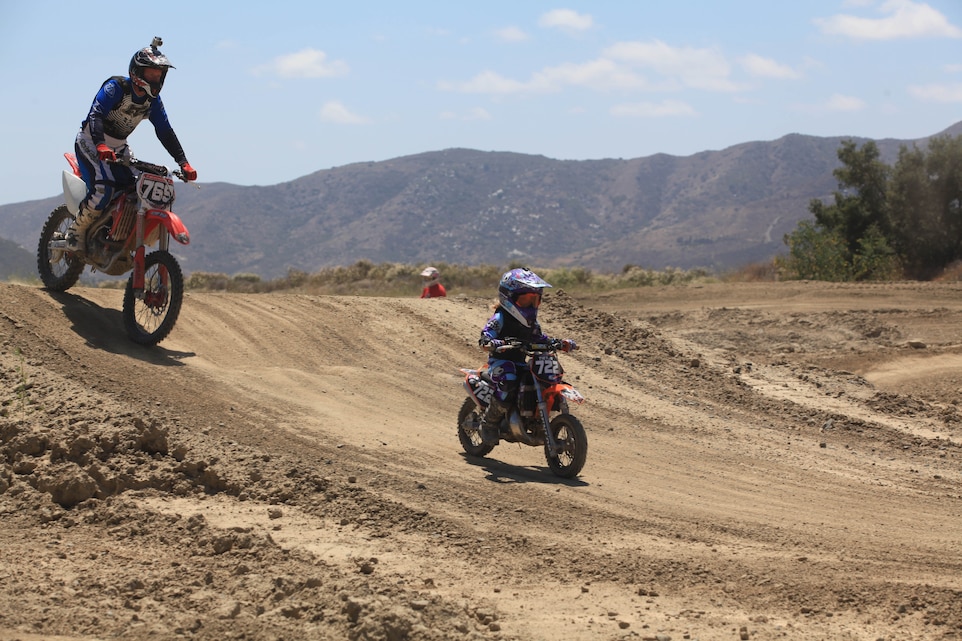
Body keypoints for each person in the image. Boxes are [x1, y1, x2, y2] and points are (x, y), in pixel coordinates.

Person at [66, 37, 197, 252]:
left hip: (119, 147)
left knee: (138, 188)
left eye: (160, 74)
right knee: (104, 188)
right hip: (91, 141)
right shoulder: (115, 87)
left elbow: (164, 130)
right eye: (152, 73)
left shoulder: (153, 101)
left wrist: (184, 163)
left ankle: (118, 232)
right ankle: (76, 231)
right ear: (138, 72)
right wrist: (100, 145)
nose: (157, 78)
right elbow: (96, 115)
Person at [477, 268, 577, 445]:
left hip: (522, 363)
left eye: (535, 300)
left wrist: (559, 343)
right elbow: (487, 334)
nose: (531, 305)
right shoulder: (501, 317)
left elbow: (540, 338)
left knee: (543, 379)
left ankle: (535, 417)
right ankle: (489, 424)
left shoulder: (532, 324)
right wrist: (491, 342)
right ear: (509, 298)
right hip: (501, 361)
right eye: (525, 300)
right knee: (508, 381)